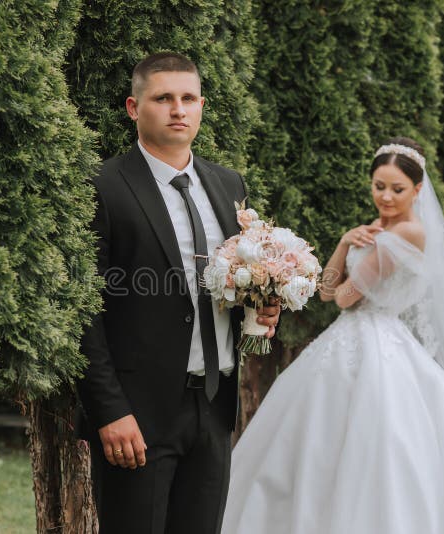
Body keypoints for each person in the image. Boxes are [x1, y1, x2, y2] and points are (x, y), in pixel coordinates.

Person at [221, 137, 444, 534]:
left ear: (418, 191)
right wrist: (343, 242)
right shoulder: (376, 231)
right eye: (379, 186)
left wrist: (352, 253)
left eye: (397, 189)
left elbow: (344, 298)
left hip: (376, 339)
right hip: (354, 337)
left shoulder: (405, 235)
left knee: (381, 444)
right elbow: (325, 290)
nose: (385, 196)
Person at [78, 52, 280, 534]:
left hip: (213, 405)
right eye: (162, 98)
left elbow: (238, 281)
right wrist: (110, 411)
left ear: (202, 105)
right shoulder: (102, 187)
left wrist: (266, 305)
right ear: (133, 107)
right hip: (138, 414)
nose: (178, 109)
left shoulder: (229, 185)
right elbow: (84, 313)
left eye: (188, 98)